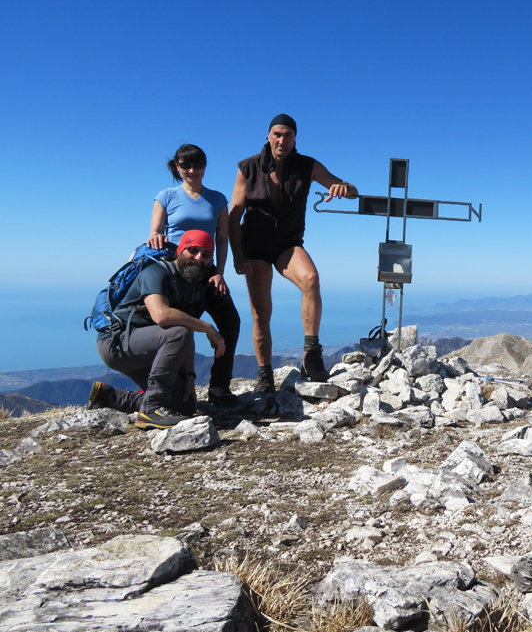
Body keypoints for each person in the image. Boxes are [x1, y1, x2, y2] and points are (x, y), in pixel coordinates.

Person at [229, 114, 357, 391]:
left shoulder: (307, 165)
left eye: (288, 135)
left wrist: (343, 187)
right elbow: (233, 215)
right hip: (255, 247)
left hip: (288, 244)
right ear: (268, 136)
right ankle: (265, 375)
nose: (282, 140)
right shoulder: (248, 168)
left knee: (310, 279)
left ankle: (312, 354)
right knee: (261, 312)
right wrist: (237, 255)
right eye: (277, 134)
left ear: (295, 139)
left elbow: (352, 191)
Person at [88, 230, 226, 429]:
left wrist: (189, 378)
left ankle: (110, 397)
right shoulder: (155, 272)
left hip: (148, 349)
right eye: (193, 250)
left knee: (184, 406)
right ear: (180, 250)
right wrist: (208, 328)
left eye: (205, 255)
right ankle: (153, 409)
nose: (198, 258)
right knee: (179, 332)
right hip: (117, 344)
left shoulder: (195, 287)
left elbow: (186, 334)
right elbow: (161, 316)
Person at [147, 144, 241, 404]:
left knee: (230, 322)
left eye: (197, 165)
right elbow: (154, 233)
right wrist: (155, 237)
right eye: (185, 165)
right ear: (177, 167)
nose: (192, 170)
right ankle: (175, 388)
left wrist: (220, 273)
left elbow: (222, 239)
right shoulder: (165, 196)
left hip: (207, 270)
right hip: (176, 270)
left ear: (205, 166)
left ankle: (219, 387)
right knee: (179, 329)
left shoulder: (218, 199)